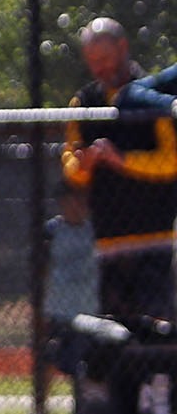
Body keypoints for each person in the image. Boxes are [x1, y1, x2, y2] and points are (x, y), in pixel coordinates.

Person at [63, 17, 177, 325]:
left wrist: (121, 160)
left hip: (155, 238)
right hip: (108, 240)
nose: (100, 68)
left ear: (123, 48)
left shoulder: (152, 97)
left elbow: (172, 162)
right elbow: (70, 165)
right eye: (93, 62)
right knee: (114, 331)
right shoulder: (83, 103)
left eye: (106, 58)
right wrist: (83, 166)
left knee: (159, 329)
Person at [42, 182, 98, 383]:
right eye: (71, 200)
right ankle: (41, 405)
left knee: (84, 359)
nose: (77, 205)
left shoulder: (95, 229)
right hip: (59, 308)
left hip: (89, 307)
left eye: (81, 200)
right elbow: (43, 267)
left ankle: (82, 405)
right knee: (50, 355)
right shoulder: (52, 229)